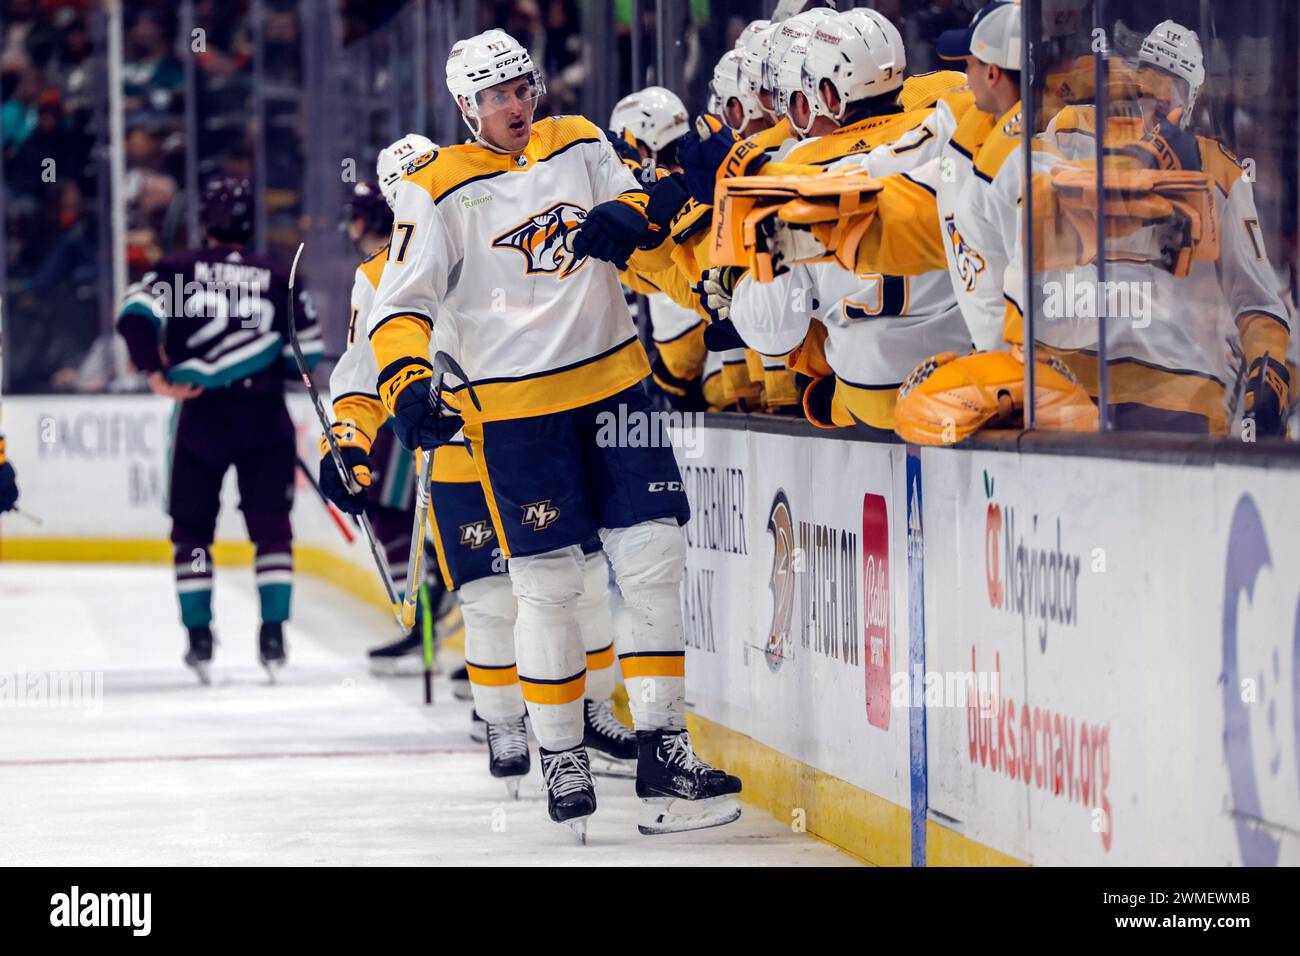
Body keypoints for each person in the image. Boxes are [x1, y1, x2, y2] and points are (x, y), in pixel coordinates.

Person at [366, 29, 740, 837]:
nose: (517, 105)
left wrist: (634, 211)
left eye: (524, 87)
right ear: (466, 107)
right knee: (547, 585)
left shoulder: (578, 141)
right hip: (515, 416)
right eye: (497, 95)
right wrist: (402, 383)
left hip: (616, 387)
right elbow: (400, 306)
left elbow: (645, 206)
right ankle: (562, 751)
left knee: (654, 561)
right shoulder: (432, 189)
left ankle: (663, 743)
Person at [321, 135, 639, 791]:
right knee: (491, 600)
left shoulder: (491, 232)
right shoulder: (381, 278)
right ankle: (501, 718)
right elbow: (359, 373)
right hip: (463, 459)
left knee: (576, 583)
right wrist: (348, 441)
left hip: (528, 439)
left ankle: (591, 712)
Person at [115, 177, 320, 681]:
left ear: (204, 222)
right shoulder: (279, 275)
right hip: (263, 417)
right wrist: (264, 358)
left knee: (192, 531)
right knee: (271, 527)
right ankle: (272, 634)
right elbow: (308, 360)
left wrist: (155, 371)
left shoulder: (176, 269)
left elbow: (132, 315)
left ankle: (199, 637)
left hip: (201, 417)